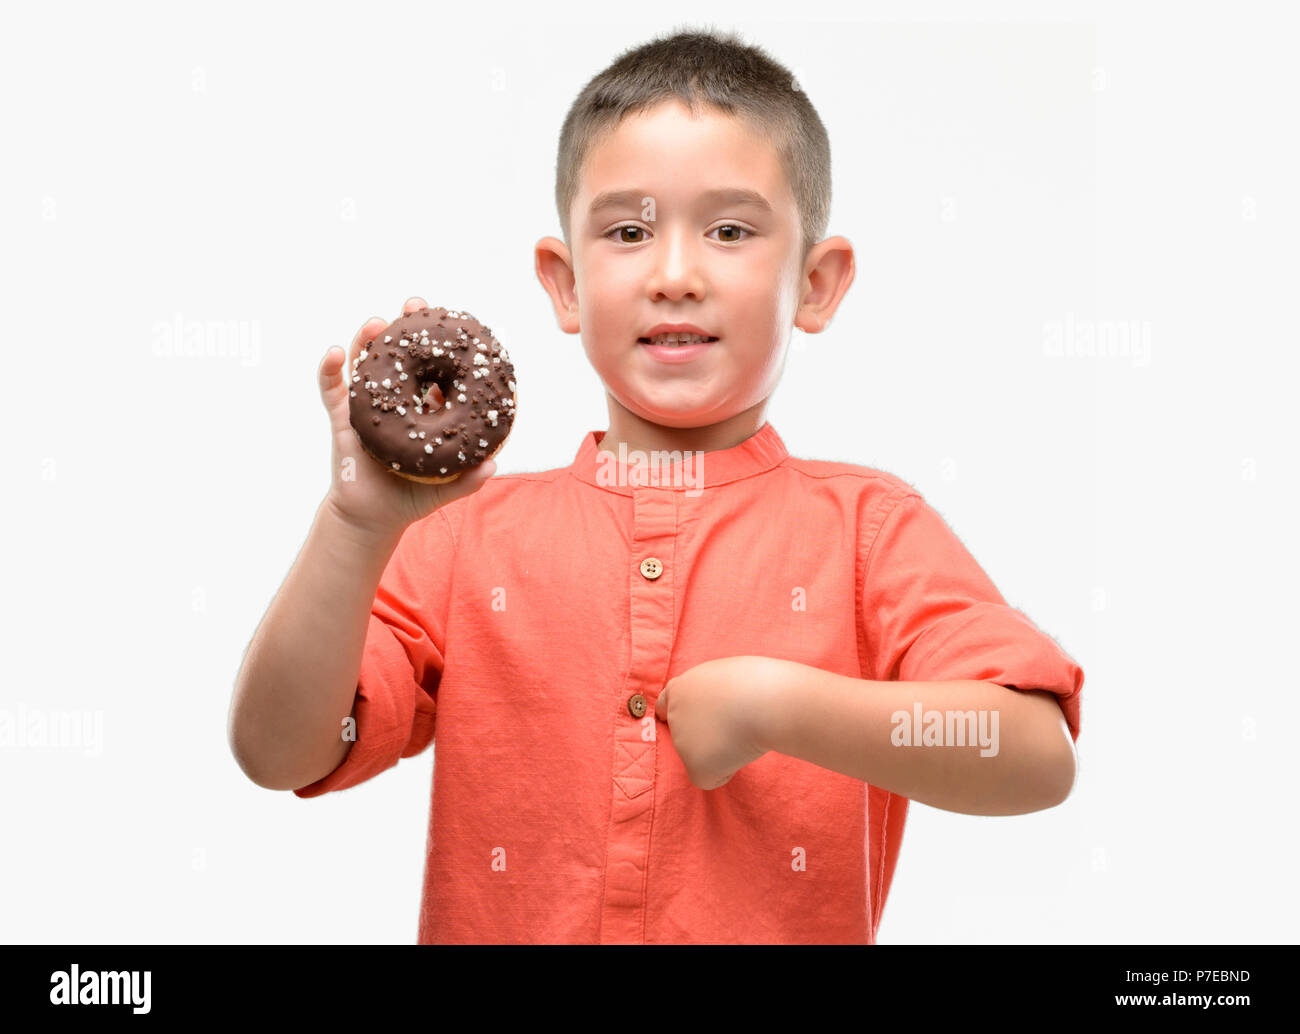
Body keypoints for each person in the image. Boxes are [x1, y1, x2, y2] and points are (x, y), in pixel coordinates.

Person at [229, 27, 1083, 944]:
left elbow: (1032, 755)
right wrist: (354, 530)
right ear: (564, 285)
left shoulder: (869, 533)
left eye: (729, 230)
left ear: (817, 283)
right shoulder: (465, 536)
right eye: (629, 232)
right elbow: (280, 753)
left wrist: (779, 705)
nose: (675, 276)